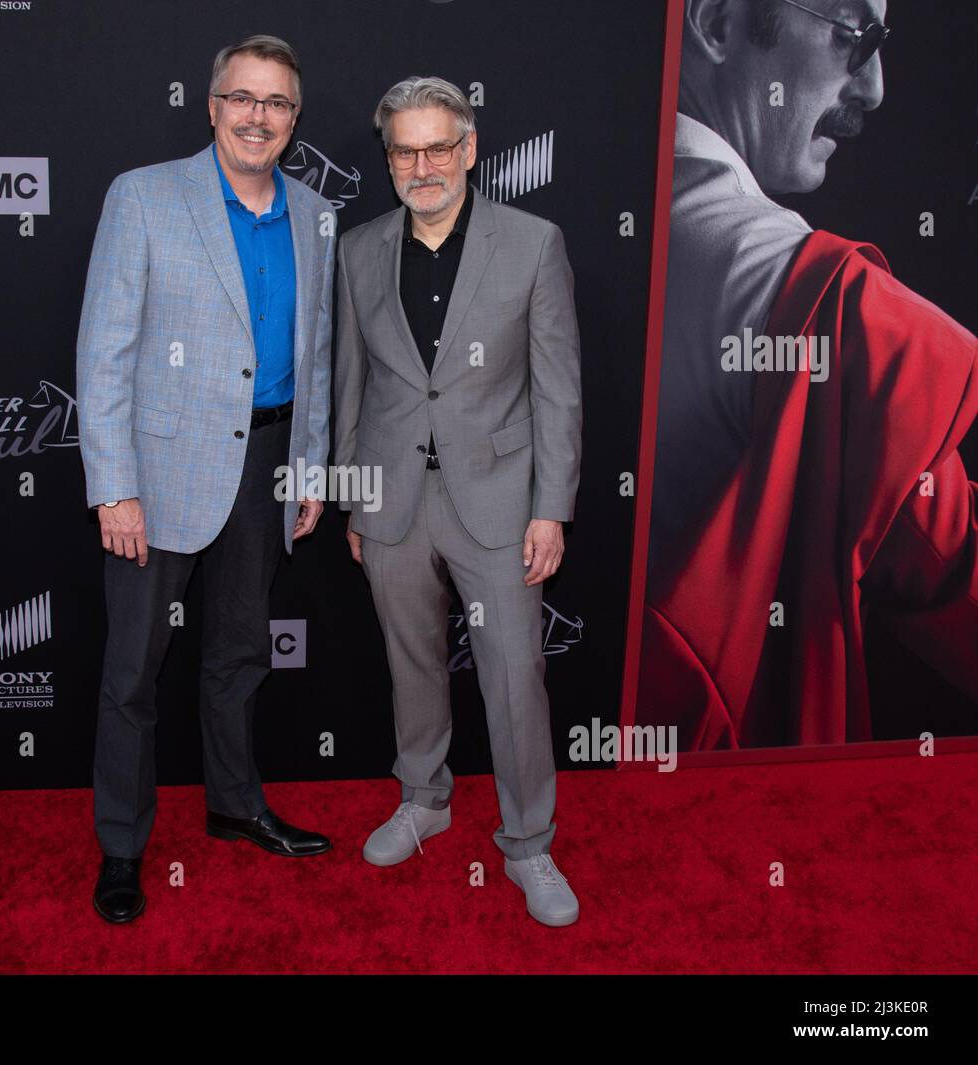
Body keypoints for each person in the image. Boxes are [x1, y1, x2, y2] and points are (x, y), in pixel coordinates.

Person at [639, 0, 978, 749]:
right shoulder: (790, 286)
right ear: (720, 21)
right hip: (720, 832)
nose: (877, 86)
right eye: (853, 35)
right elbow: (955, 563)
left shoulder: (558, 205)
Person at [75, 34, 335, 925]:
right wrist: (113, 485)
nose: (259, 115)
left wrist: (309, 464)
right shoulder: (145, 196)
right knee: (132, 674)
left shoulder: (312, 212)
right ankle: (122, 846)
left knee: (238, 652)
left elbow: (319, 355)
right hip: (160, 469)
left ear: (294, 121)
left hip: (266, 460)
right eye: (244, 97)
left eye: (277, 103)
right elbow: (103, 351)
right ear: (213, 104)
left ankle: (235, 804)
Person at [333, 76, 583, 926]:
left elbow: (559, 392)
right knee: (412, 665)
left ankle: (529, 843)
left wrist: (551, 507)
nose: (423, 164)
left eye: (440, 146)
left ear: (471, 148)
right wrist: (354, 500)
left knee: (515, 675)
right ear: (389, 157)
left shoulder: (534, 243)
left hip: (501, 501)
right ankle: (424, 799)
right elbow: (350, 386)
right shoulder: (358, 249)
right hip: (393, 497)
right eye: (406, 149)